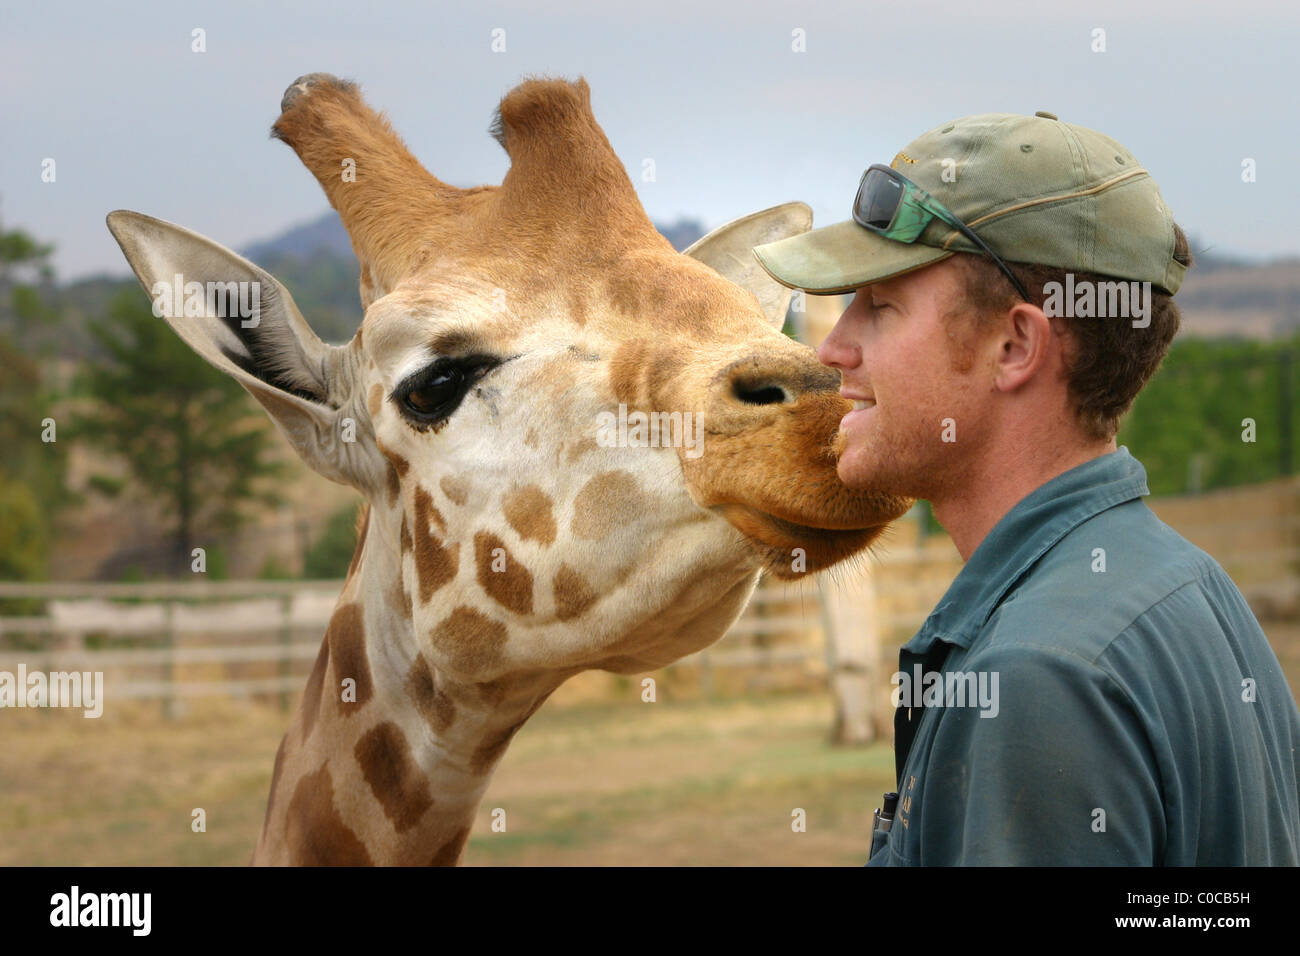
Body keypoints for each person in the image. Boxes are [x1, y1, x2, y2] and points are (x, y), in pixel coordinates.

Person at [752, 111, 1300, 865]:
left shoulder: (1038, 675)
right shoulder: (1190, 584)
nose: (833, 348)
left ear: (1014, 346)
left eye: (880, 307)